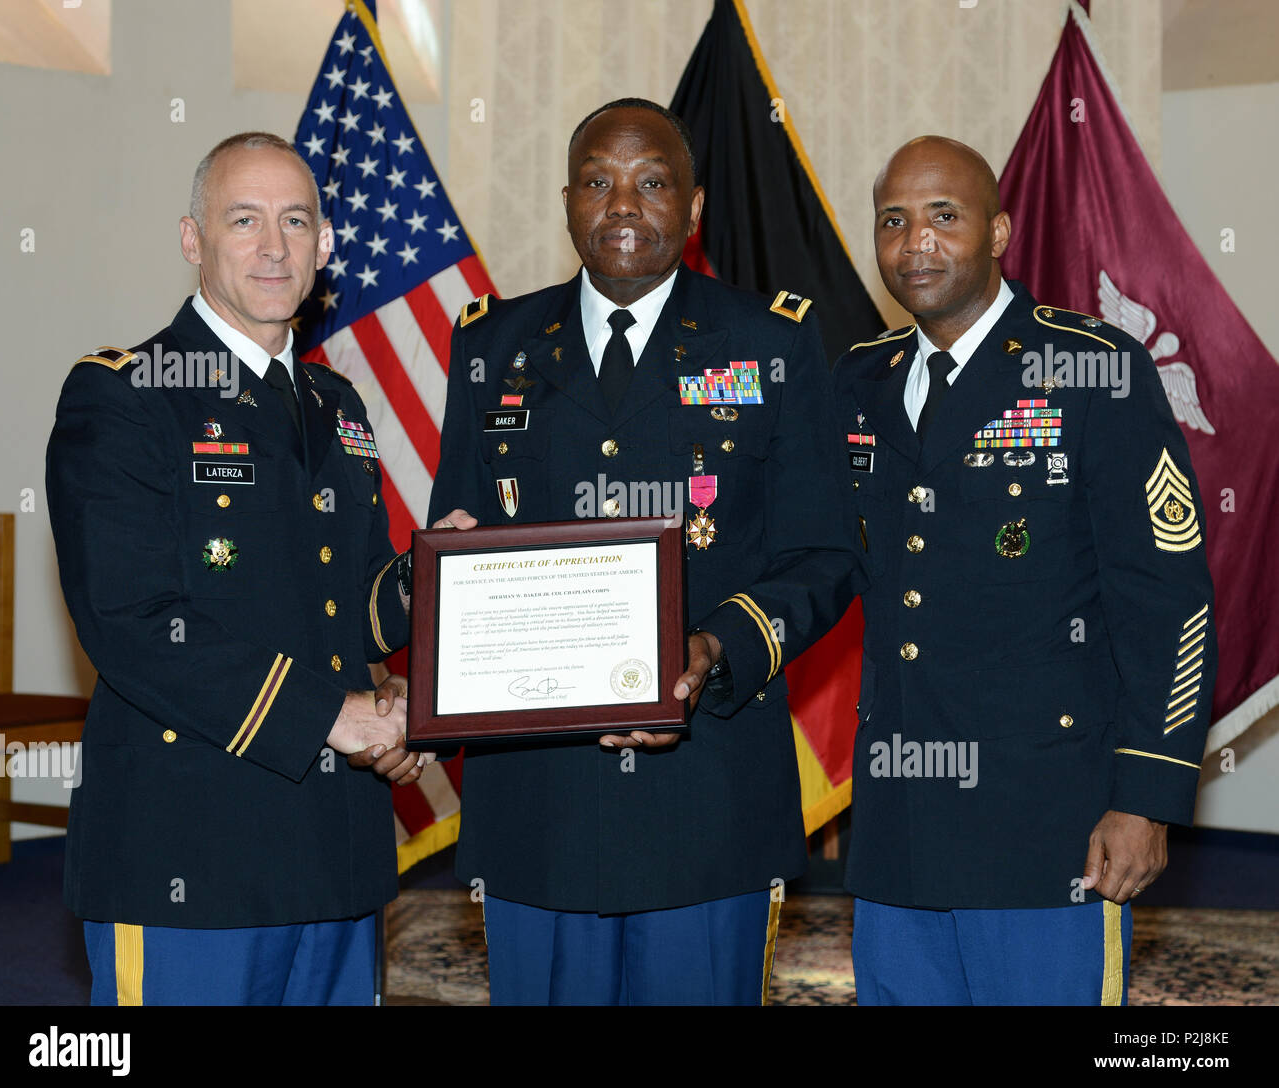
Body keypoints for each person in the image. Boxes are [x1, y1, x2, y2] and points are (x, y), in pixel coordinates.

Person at [427, 99, 859, 1005]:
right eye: (598, 182)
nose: (623, 204)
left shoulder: (771, 344)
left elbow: (823, 554)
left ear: (694, 206)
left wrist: (715, 649)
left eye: (652, 182)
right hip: (535, 803)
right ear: (567, 201)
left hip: (705, 798)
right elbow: (454, 555)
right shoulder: (491, 346)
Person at [45, 132, 430, 1006]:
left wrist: (437, 578)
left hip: (335, 851)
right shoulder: (126, 392)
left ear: (324, 246)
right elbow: (131, 622)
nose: (274, 246)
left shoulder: (337, 403)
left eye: (297, 221)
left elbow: (356, 605)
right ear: (194, 240)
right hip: (192, 856)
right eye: (244, 219)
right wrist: (334, 714)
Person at [833, 136, 1217, 1005]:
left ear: (999, 231)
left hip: (1050, 824)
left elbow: (1169, 600)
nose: (914, 242)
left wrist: (1147, 794)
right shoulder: (858, 380)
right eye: (892, 221)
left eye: (943, 216)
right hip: (898, 822)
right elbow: (811, 555)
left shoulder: (1094, 370)